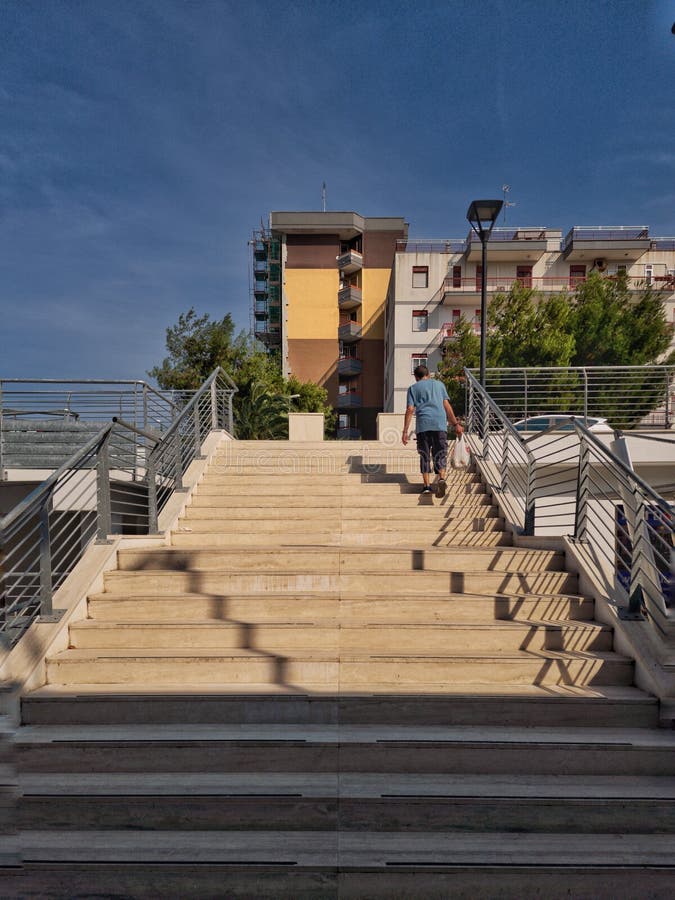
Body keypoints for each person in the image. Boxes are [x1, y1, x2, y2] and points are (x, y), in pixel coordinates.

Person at [402, 365, 464, 497]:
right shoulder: (439, 385)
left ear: (416, 377)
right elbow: (446, 405)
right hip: (439, 425)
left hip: (423, 426)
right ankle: (441, 478)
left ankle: (426, 486)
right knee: (440, 453)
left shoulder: (413, 388)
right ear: (428, 374)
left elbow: (410, 409)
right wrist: (455, 424)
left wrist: (405, 431)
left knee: (425, 455)